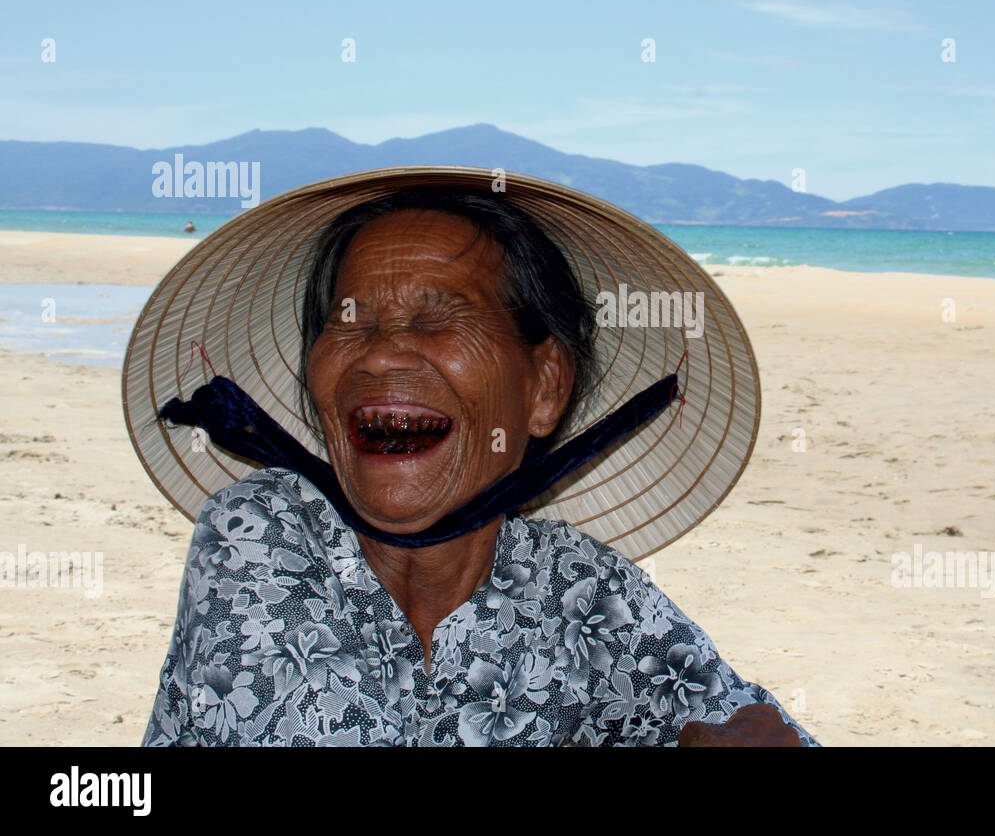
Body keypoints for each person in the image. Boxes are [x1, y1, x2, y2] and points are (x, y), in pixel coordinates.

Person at [125, 169, 818, 746]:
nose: (380, 350)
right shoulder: (260, 533)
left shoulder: (582, 592)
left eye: (436, 319)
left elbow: (763, 728)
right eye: (349, 320)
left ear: (543, 387)